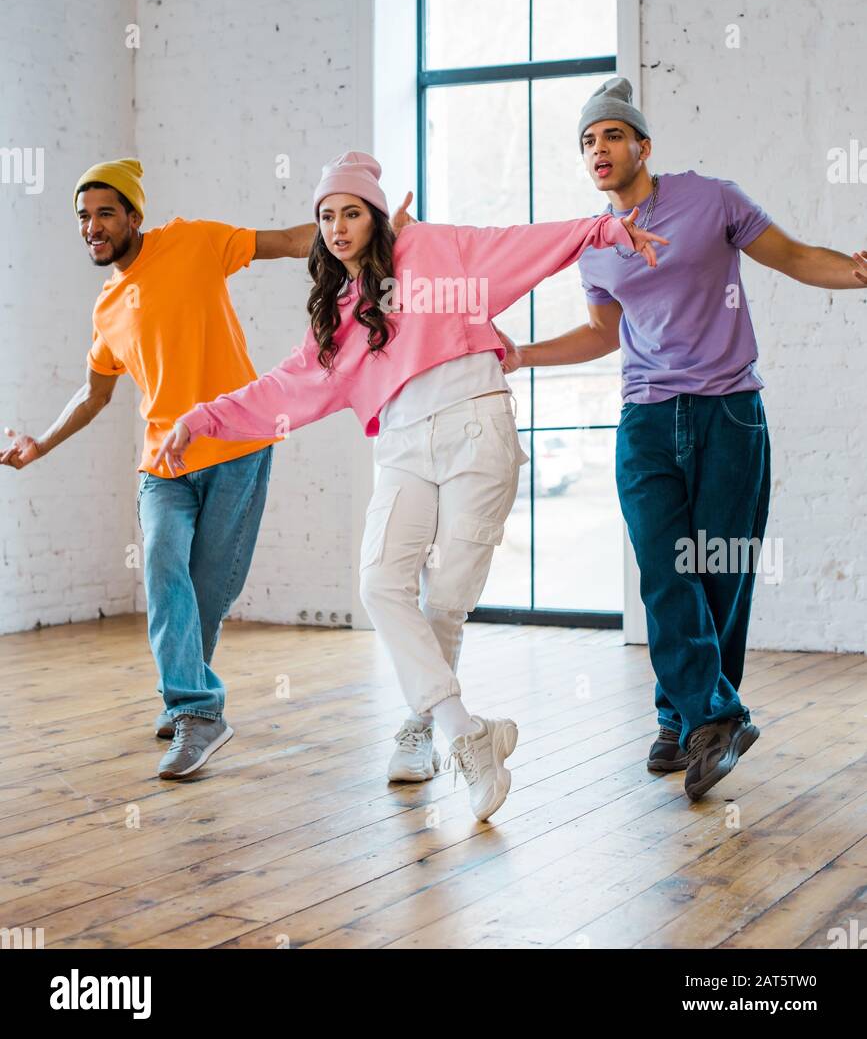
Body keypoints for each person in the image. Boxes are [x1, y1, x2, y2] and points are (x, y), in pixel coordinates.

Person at [156, 150, 667, 820]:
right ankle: (464, 732)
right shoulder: (337, 310)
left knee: (446, 599)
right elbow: (283, 386)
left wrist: (602, 230)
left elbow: (512, 247)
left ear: (373, 215)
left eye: (350, 213)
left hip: (475, 423)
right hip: (400, 442)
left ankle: (422, 729)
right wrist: (203, 417)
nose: (337, 228)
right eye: (325, 217)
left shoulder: (430, 248)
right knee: (380, 583)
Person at [497, 77, 867, 802]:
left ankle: (679, 718)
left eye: (609, 134)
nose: (596, 149)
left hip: (727, 412)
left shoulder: (711, 199)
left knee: (719, 572)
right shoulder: (596, 245)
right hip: (645, 420)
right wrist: (523, 355)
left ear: (642, 145)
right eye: (585, 140)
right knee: (666, 571)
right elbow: (604, 334)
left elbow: (791, 255)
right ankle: (714, 717)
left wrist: (857, 273)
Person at [0, 157, 411, 780]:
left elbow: (291, 240)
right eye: (84, 217)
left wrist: (376, 232)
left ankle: (186, 693)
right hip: (163, 462)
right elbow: (93, 397)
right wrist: (40, 445)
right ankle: (197, 708)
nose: (93, 226)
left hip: (240, 445)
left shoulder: (193, 240)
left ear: (135, 215)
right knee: (164, 565)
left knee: (209, 588)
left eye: (106, 212)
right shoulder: (107, 309)